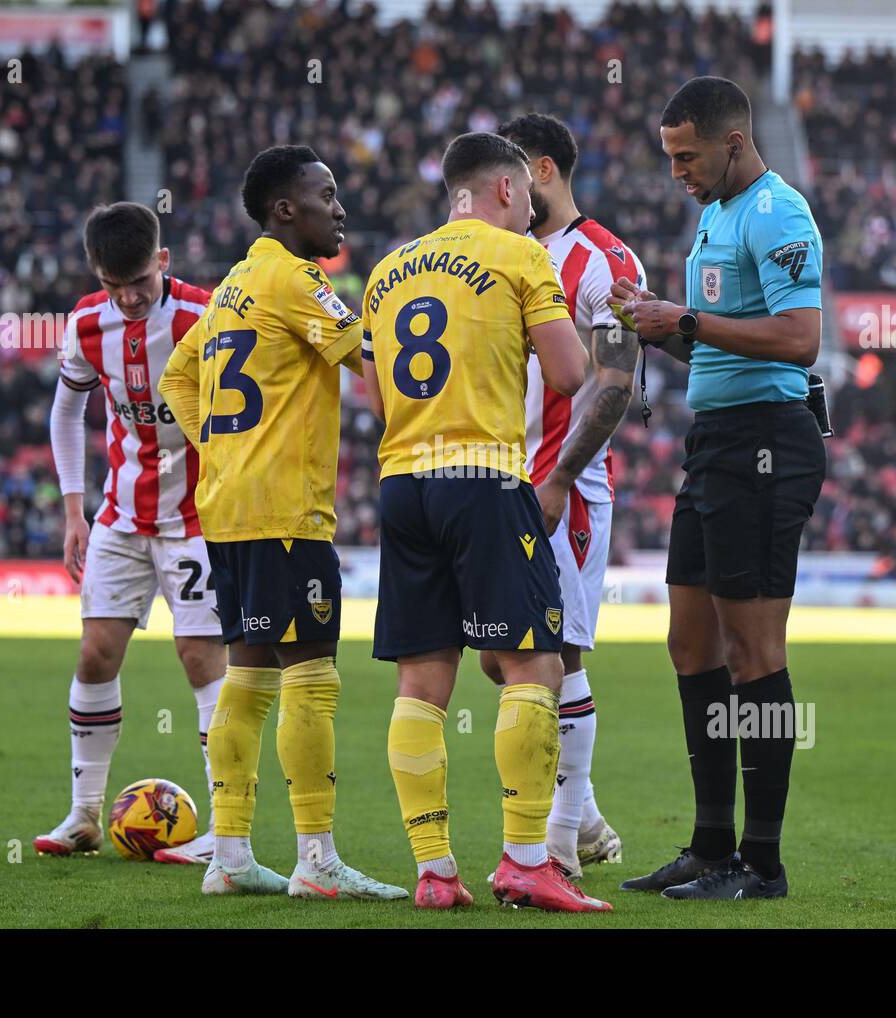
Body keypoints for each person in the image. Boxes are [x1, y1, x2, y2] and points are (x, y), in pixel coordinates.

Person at [362, 132, 607, 912]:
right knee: (536, 666)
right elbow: (572, 373)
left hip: (403, 485)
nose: (534, 211)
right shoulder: (520, 255)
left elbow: (377, 401)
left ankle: (434, 872)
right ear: (504, 189)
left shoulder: (386, 270)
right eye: (528, 200)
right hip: (487, 479)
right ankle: (527, 860)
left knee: (421, 683)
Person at [158, 146, 406, 901]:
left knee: (247, 674)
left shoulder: (233, 284)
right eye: (325, 195)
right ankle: (317, 858)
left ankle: (229, 854)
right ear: (283, 211)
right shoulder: (296, 279)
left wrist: (223, 449)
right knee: (313, 676)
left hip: (229, 506)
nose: (340, 208)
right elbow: (366, 352)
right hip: (285, 513)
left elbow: (176, 376)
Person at [614, 76, 827, 900]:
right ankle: (710, 846)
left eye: (686, 156)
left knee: (752, 654)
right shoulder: (714, 219)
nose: (676, 172)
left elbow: (800, 339)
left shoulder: (778, 211)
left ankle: (762, 863)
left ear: (732, 141)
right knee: (691, 645)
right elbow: (713, 350)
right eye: (669, 157)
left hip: (766, 446)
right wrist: (659, 325)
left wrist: (688, 321)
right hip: (715, 448)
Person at [466, 112, 647, 878]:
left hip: (559, 488)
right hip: (497, 483)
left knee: (553, 652)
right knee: (501, 659)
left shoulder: (603, 260)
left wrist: (562, 477)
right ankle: (590, 816)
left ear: (541, 171)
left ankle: (563, 844)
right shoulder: (500, 258)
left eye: (508, 174)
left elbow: (616, 379)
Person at [36, 202, 225, 866]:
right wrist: (72, 510)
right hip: (120, 514)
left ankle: (225, 831)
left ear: (163, 261)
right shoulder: (88, 324)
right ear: (98, 275)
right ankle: (84, 814)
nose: (131, 296)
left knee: (202, 659)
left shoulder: (206, 317)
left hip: (199, 519)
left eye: (141, 281)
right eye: (117, 285)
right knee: (95, 655)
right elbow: (67, 411)